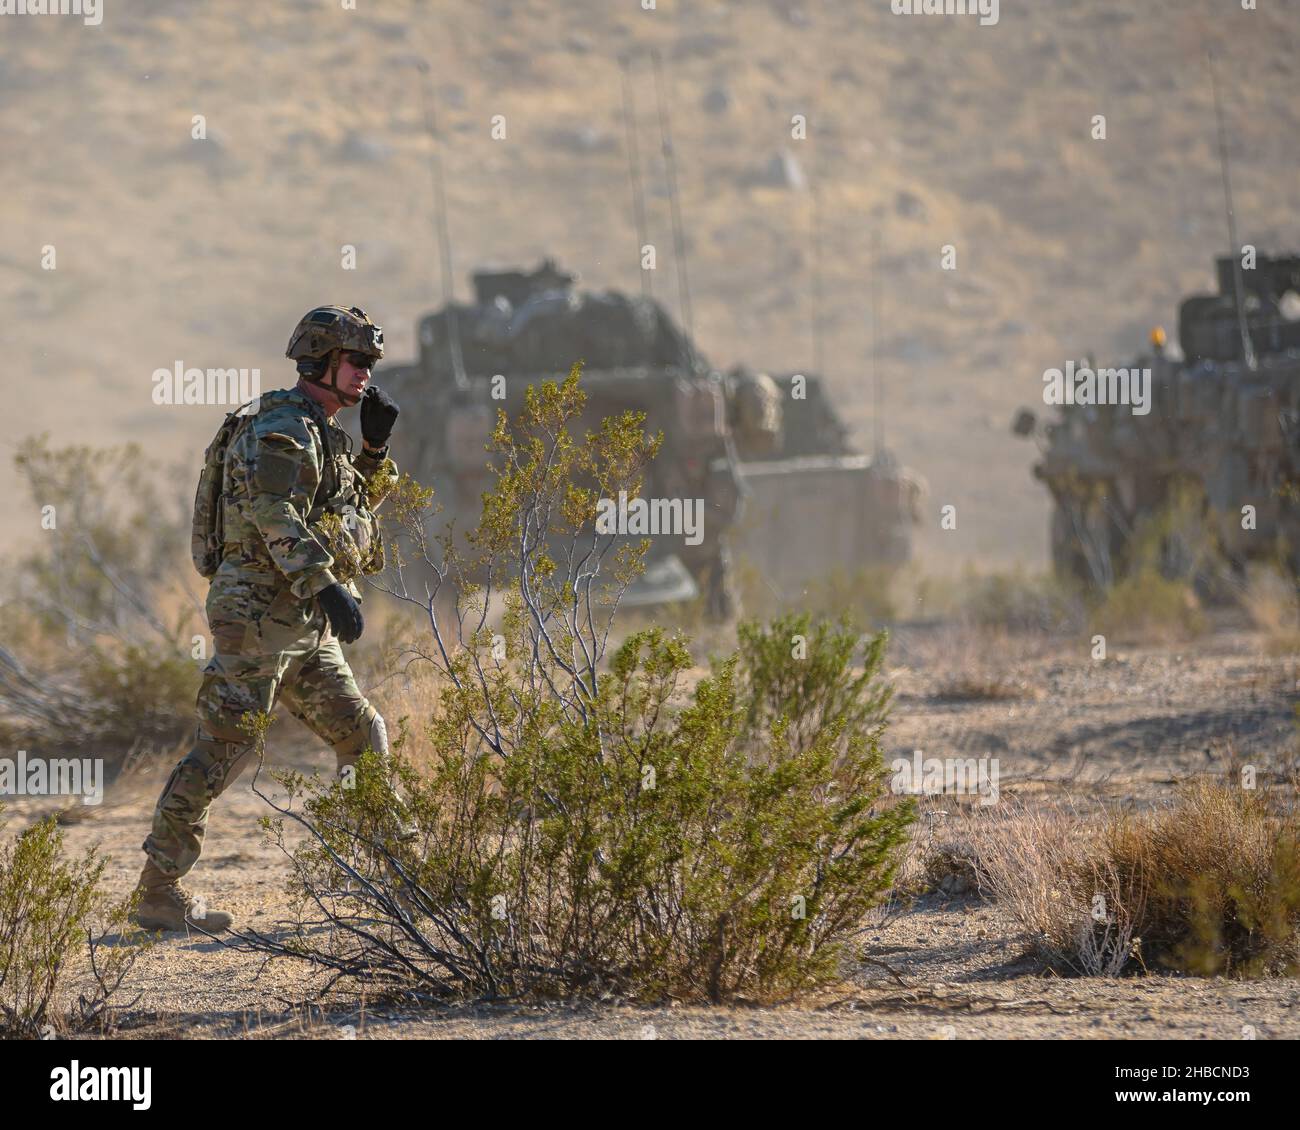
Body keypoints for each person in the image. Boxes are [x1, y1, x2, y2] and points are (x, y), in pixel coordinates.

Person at [133, 305, 401, 932]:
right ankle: (158, 891)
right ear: (321, 361)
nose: (365, 374)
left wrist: (375, 448)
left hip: (300, 619)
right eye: (356, 361)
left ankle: (401, 876)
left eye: (370, 363)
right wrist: (327, 584)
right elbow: (274, 515)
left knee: (363, 733)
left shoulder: (320, 429)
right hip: (257, 615)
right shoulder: (281, 428)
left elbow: (346, 508)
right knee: (224, 748)